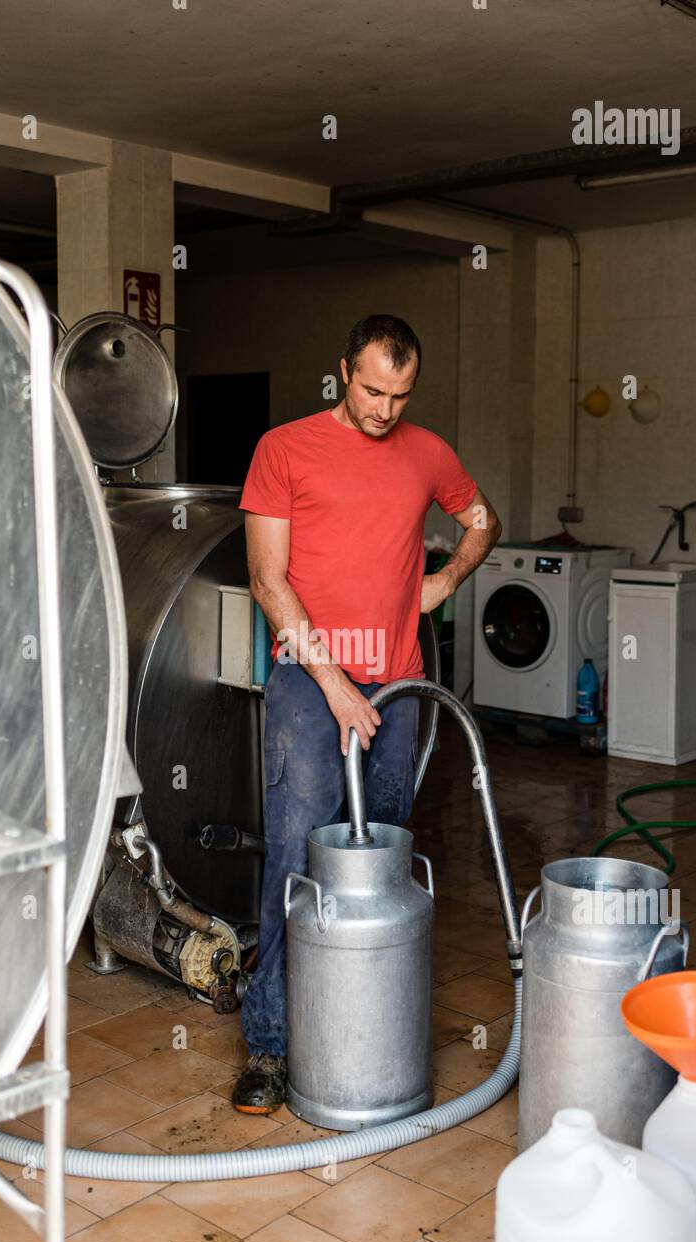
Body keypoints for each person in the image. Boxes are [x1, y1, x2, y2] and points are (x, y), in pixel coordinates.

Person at [232, 313, 502, 1113]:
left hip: (397, 690)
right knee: (294, 857)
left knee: (375, 860)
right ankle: (272, 1046)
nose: (385, 410)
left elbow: (481, 520)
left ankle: (358, 1030)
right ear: (341, 370)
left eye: (400, 395)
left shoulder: (427, 454)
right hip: (309, 686)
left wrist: (445, 580)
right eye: (371, 390)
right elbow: (266, 582)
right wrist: (336, 683)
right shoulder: (283, 449)